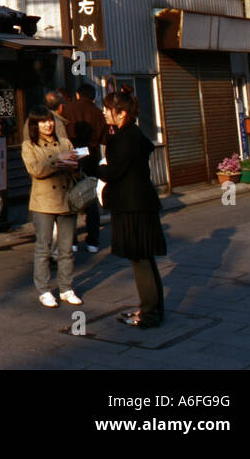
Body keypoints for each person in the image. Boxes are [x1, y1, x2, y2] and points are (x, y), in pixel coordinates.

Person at [96, 87, 166, 329]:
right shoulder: (133, 134)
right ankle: (153, 310)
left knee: (139, 259)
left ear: (122, 113)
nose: (104, 113)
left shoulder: (124, 139)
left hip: (131, 206)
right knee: (145, 257)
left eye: (107, 110)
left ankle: (149, 315)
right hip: (141, 203)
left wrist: (88, 166)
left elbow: (114, 172)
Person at [20, 106, 83, 308]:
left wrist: (75, 163)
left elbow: (76, 170)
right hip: (43, 202)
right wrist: (57, 160)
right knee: (43, 249)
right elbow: (35, 170)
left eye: (50, 120)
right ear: (34, 125)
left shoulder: (64, 142)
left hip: (67, 200)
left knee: (66, 249)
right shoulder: (29, 145)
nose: (48, 125)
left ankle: (66, 287)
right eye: (42, 121)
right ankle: (44, 290)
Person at [61, 84, 108, 252]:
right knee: (90, 199)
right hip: (91, 159)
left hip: (70, 159)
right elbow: (105, 140)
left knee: (70, 199)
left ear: (78, 95)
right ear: (93, 97)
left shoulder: (66, 109)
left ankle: (72, 241)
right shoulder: (98, 113)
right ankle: (93, 241)